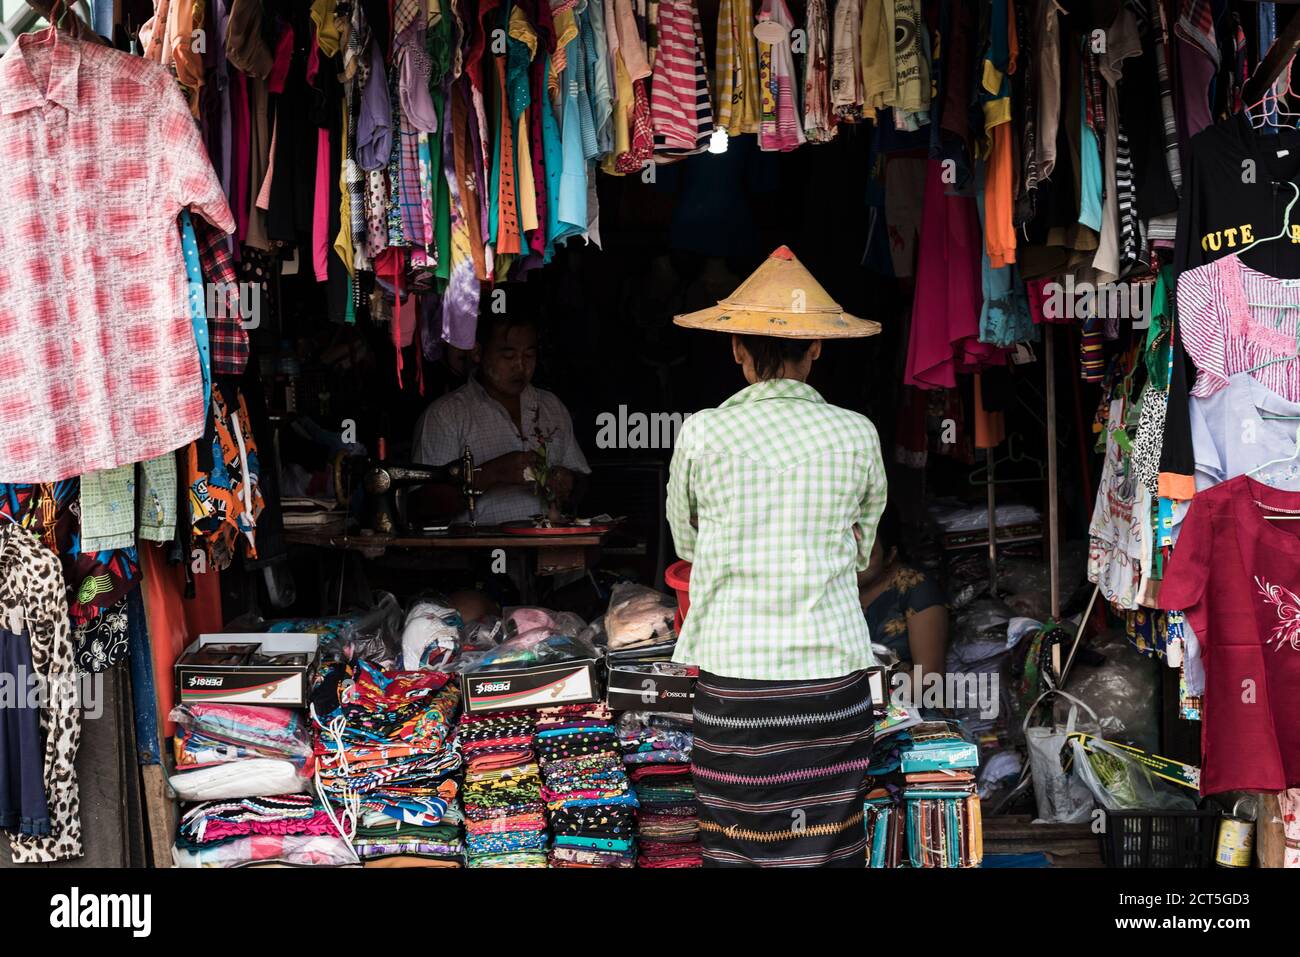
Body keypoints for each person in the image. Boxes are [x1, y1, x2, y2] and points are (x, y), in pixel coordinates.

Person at [666, 247, 886, 868]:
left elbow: (688, 546)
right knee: (829, 848)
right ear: (816, 347)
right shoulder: (856, 432)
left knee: (736, 848)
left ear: (736, 349)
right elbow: (861, 548)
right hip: (831, 689)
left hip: (736, 689)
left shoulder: (703, 432)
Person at [411, 314, 590, 525]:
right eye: (508, 356)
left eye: (529, 355)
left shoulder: (551, 406)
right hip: (477, 552)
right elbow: (419, 506)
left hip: (550, 551)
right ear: (478, 352)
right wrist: (490, 475)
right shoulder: (447, 414)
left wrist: (569, 482)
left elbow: (583, 482)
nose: (521, 366)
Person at [857, 507, 950, 682]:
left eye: (867, 554)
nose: (855, 562)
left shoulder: (915, 587)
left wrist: (881, 705)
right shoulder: (835, 588)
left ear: (890, 555)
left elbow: (930, 674)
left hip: (908, 701)